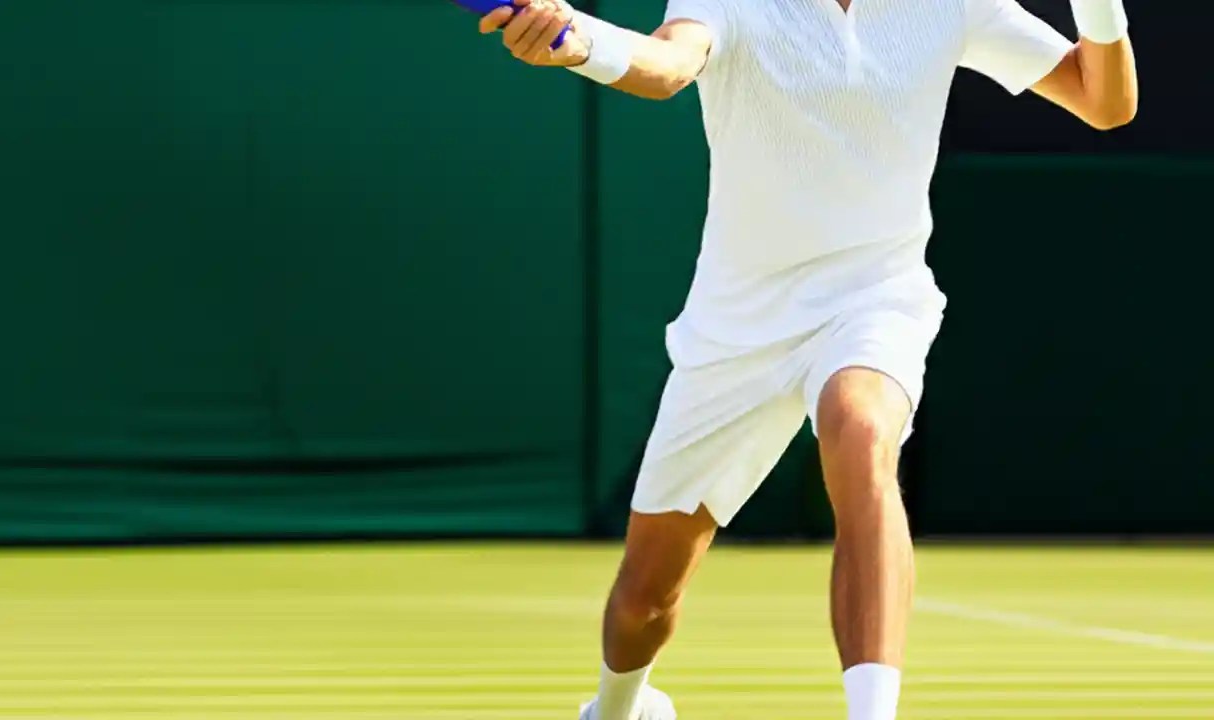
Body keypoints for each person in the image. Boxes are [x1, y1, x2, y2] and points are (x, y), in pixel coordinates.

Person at [475, 0, 1137, 718]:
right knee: (645, 598)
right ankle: (617, 707)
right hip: (737, 329)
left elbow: (1104, 101)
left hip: (873, 299)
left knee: (861, 436)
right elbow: (666, 66)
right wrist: (578, 40)